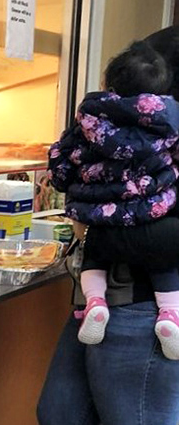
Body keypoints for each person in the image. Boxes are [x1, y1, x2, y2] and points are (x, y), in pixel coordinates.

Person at [10, 28, 179, 425]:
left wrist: (99, 225)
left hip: (151, 311)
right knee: (60, 418)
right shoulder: (121, 134)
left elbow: (167, 237)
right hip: (99, 301)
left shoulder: (169, 143)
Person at [47, 41, 179, 358]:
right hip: (151, 208)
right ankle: (171, 314)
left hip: (95, 210)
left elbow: (60, 166)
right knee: (163, 262)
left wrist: (68, 183)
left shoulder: (89, 119)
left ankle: (95, 302)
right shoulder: (170, 123)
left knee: (95, 255)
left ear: (109, 86)